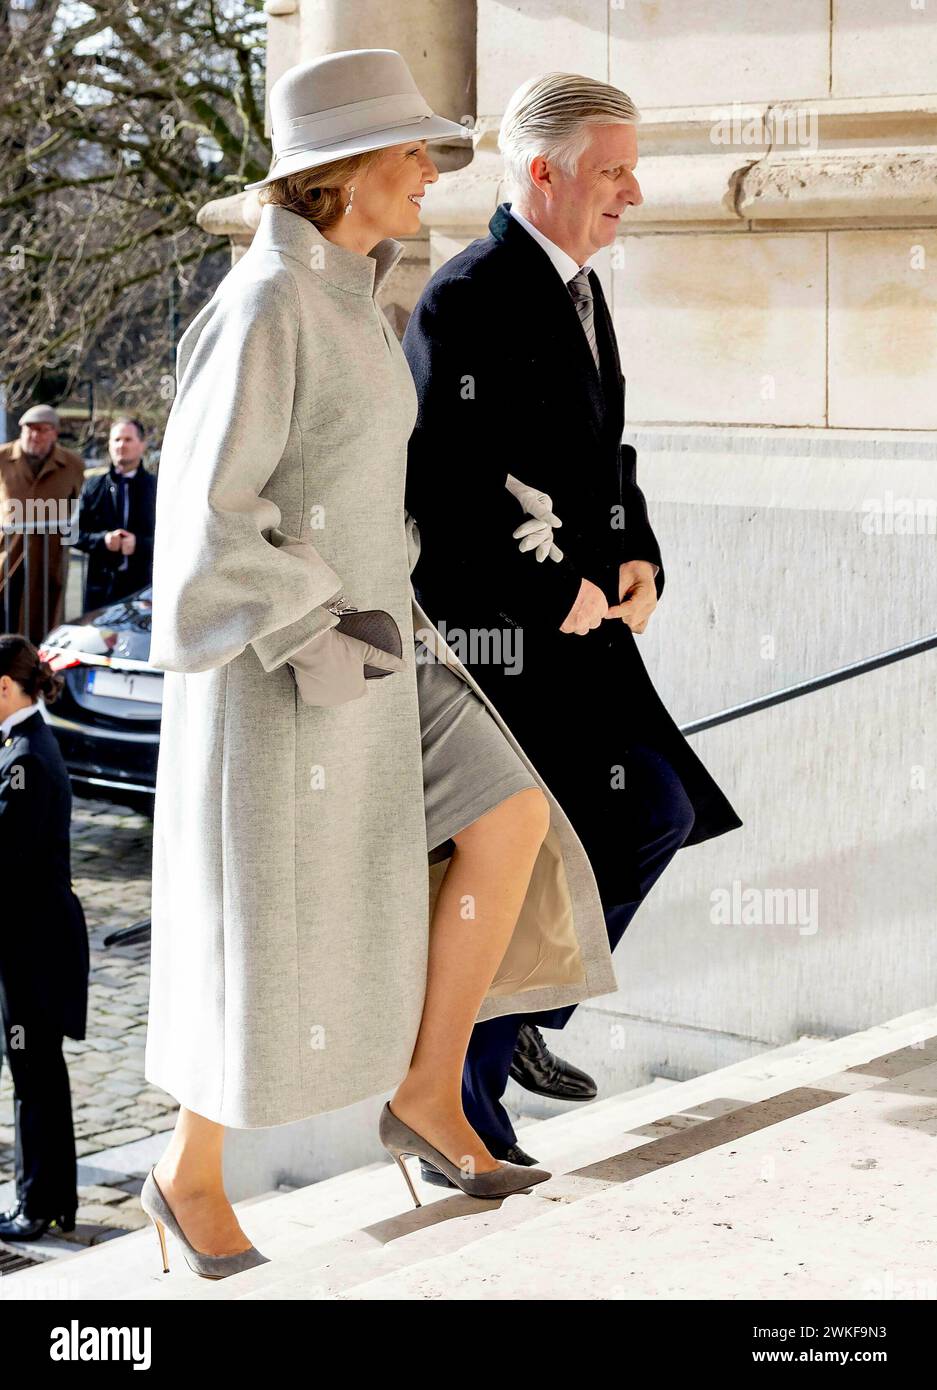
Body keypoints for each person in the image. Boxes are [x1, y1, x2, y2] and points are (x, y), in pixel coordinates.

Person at [140, 49, 618, 1280]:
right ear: (340, 172)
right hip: (291, 675)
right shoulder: (260, 306)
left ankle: (425, 1091)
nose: (427, 170)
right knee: (267, 935)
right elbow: (200, 527)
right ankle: (189, 1178)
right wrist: (323, 623)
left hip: (388, 647)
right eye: (409, 150)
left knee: (511, 815)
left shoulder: (353, 297)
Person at [402, 71, 744, 1178]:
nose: (633, 192)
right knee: (632, 811)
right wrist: (554, 597)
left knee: (653, 809)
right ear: (541, 173)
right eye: (613, 171)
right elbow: (442, 495)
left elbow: (607, 461)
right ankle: (466, 1089)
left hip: (588, 639)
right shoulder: (463, 298)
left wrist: (638, 549)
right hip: (506, 652)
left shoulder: (584, 291)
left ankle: (511, 1035)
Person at [0, 634, 89, 1240]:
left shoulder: (27, 758)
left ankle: (39, 1206)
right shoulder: (20, 745)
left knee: (34, 1076)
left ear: (4, 687)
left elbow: (7, 860)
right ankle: (51, 1201)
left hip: (32, 946)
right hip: (31, 940)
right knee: (37, 1074)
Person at [0, 405, 84, 643]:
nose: (35, 435)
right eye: (30, 429)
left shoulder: (72, 464)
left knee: (43, 622)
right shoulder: (2, 458)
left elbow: (79, 506)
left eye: (42, 430)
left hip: (49, 557)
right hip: (7, 555)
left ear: (55, 433)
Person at [73, 417, 157, 612]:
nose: (121, 445)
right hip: (101, 590)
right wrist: (103, 540)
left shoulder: (157, 487)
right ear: (109, 445)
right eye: (116, 440)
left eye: (128, 439)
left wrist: (139, 544)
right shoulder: (93, 485)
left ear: (142, 444)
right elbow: (73, 533)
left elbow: (175, 538)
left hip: (144, 589)